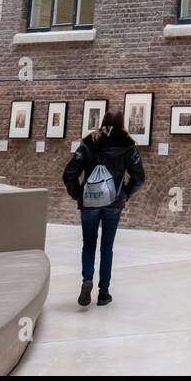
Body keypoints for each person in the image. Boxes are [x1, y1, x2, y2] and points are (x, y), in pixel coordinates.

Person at [62, 108, 145, 306]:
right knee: (107, 247)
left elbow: (69, 173)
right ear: (122, 122)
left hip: (89, 201)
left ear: (103, 121)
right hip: (114, 203)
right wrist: (125, 194)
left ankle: (87, 279)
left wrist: (78, 194)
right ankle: (103, 293)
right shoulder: (128, 145)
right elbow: (139, 178)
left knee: (88, 243)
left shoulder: (89, 143)